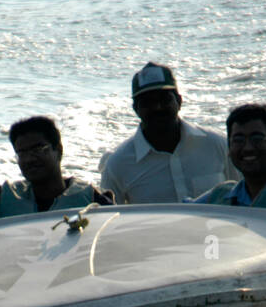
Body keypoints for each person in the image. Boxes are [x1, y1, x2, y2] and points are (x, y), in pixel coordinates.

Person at [98, 63, 237, 204]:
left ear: (179, 101)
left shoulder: (218, 145)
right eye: (148, 102)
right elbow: (108, 219)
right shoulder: (118, 164)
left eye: (164, 99)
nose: (157, 107)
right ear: (135, 109)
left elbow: (246, 199)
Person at [0, 116, 112, 228]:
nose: (29, 159)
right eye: (22, 152)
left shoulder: (91, 199)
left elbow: (120, 232)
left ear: (58, 151)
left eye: (38, 150)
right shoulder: (4, 197)